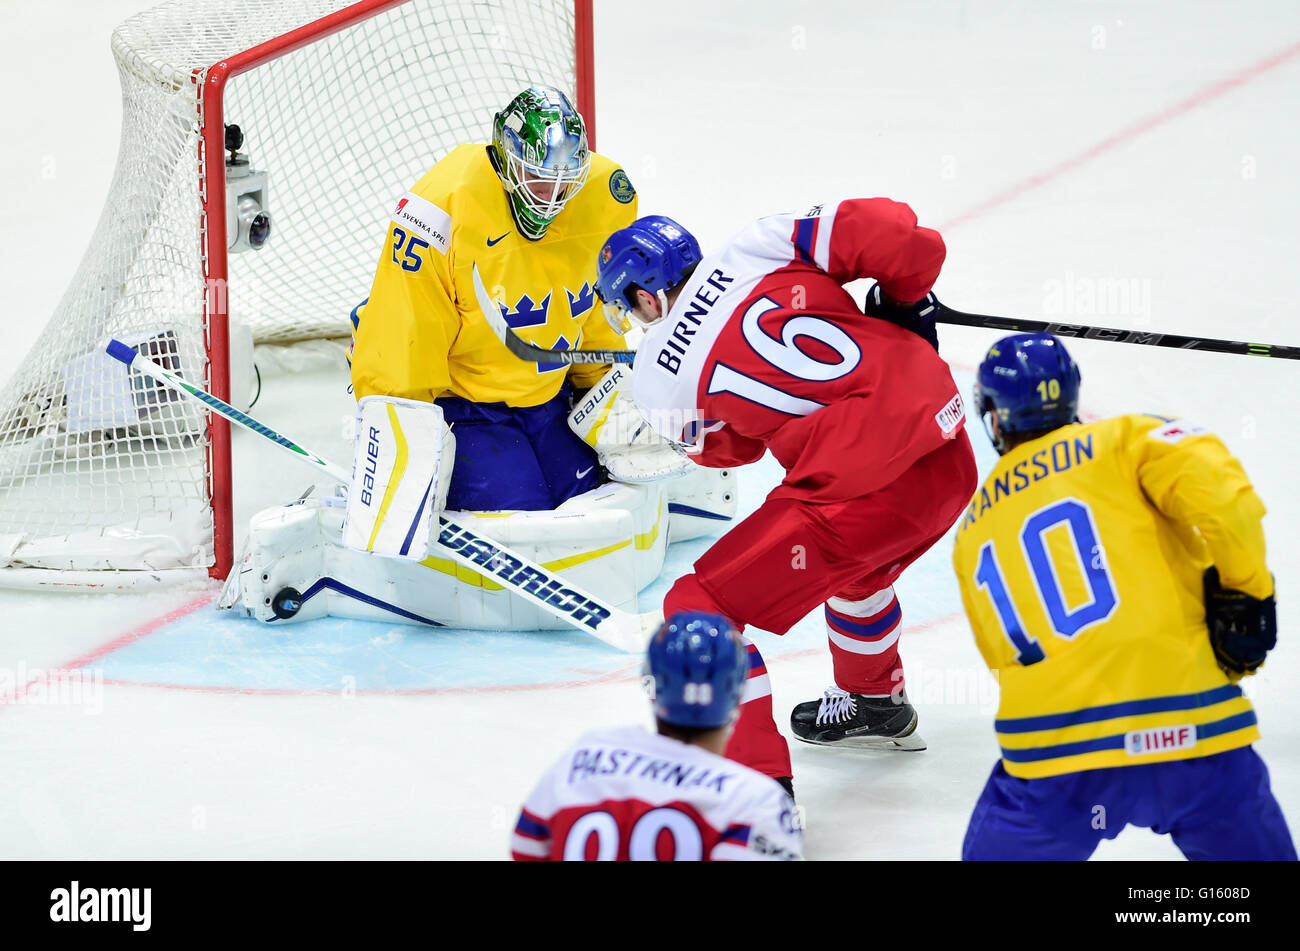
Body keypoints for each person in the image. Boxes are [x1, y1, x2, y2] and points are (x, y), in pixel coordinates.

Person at [592, 203, 979, 789]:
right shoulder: (761, 243)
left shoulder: (655, 379)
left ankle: (759, 789)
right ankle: (874, 700)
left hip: (862, 498)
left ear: (647, 298)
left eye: (628, 306)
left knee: (700, 606)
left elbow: (731, 453)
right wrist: (906, 306)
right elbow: (909, 240)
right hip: (947, 455)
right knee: (857, 571)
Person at [952, 332, 1294, 861]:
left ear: (994, 415)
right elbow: (1227, 500)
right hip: (1188, 726)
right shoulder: (1126, 438)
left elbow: (1002, 649)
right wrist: (1249, 598)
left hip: (1057, 754)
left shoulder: (973, 527)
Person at [348, 85, 638, 511]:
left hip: (545, 396)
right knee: (519, 514)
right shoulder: (442, 207)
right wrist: (398, 431)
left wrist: (604, 390)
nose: (552, 199)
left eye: (565, 184)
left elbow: (591, 306)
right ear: (506, 160)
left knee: (587, 499)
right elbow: (408, 323)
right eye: (539, 180)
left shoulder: (603, 195)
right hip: (465, 403)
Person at [511, 611, 803, 861]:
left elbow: (524, 847)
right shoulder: (757, 802)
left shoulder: (582, 759)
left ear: (650, 687)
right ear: (740, 696)